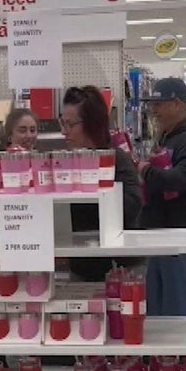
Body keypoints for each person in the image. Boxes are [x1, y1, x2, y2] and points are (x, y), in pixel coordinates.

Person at [137, 77, 186, 316]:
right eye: (151, 105)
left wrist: (147, 171)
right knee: (157, 308)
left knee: (179, 310)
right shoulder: (168, 136)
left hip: (181, 235)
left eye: (159, 104)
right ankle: (161, 355)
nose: (153, 110)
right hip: (161, 234)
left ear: (178, 104)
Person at [60, 85, 142, 281]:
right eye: (63, 124)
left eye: (71, 125)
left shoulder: (116, 159)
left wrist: (95, 189)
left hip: (120, 267)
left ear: (91, 124)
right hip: (82, 265)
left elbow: (132, 205)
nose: (64, 132)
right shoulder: (66, 162)